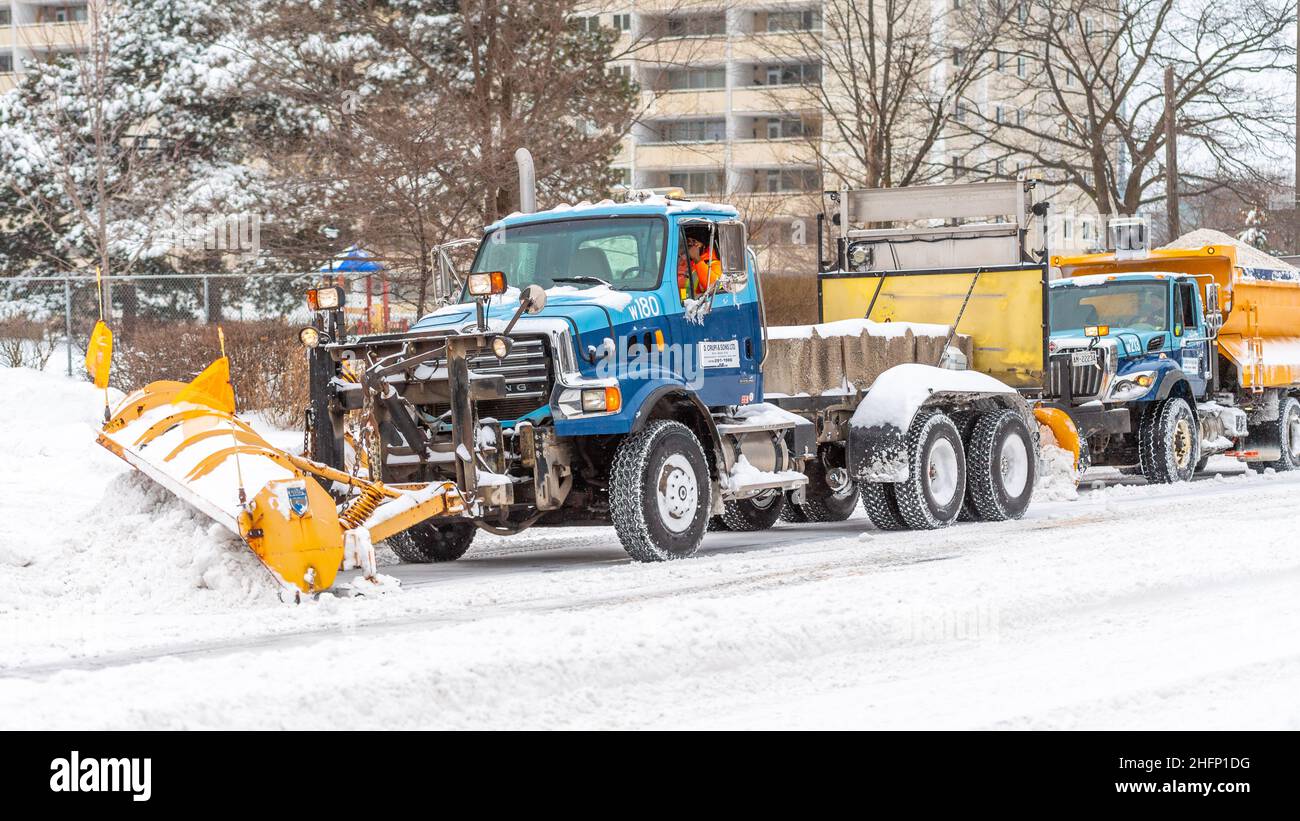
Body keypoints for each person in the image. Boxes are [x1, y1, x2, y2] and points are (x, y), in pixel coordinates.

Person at [678, 233, 722, 301]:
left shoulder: (715, 264)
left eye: (694, 241)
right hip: (683, 305)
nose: (690, 244)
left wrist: (697, 259)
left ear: (703, 245)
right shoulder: (686, 263)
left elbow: (714, 286)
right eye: (688, 241)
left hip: (699, 307)